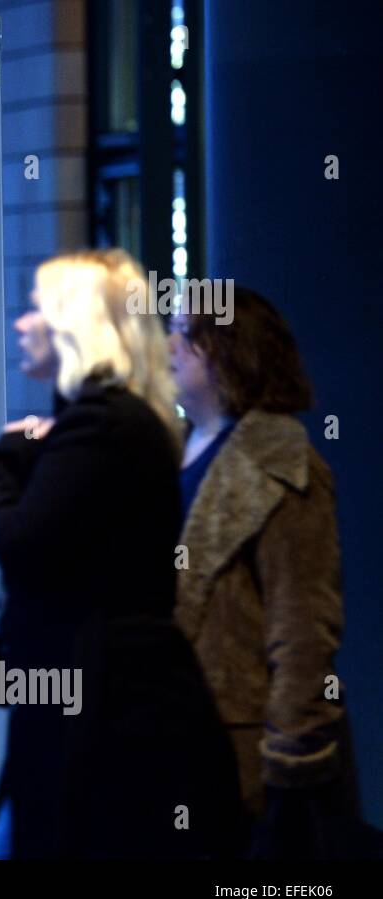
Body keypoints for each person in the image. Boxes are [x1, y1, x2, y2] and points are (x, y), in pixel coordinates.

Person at [0, 249, 242, 858]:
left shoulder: (101, 424)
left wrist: (5, 461)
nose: (22, 323)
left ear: (74, 323)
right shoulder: (114, 421)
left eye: (37, 308)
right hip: (94, 704)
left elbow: (23, 542)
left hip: (101, 719)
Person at [169, 287, 368, 857]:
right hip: (179, 738)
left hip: (245, 752)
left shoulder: (280, 460)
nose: (171, 344)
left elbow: (303, 623)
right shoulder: (174, 449)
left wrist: (292, 755)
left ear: (233, 347)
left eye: (188, 331)